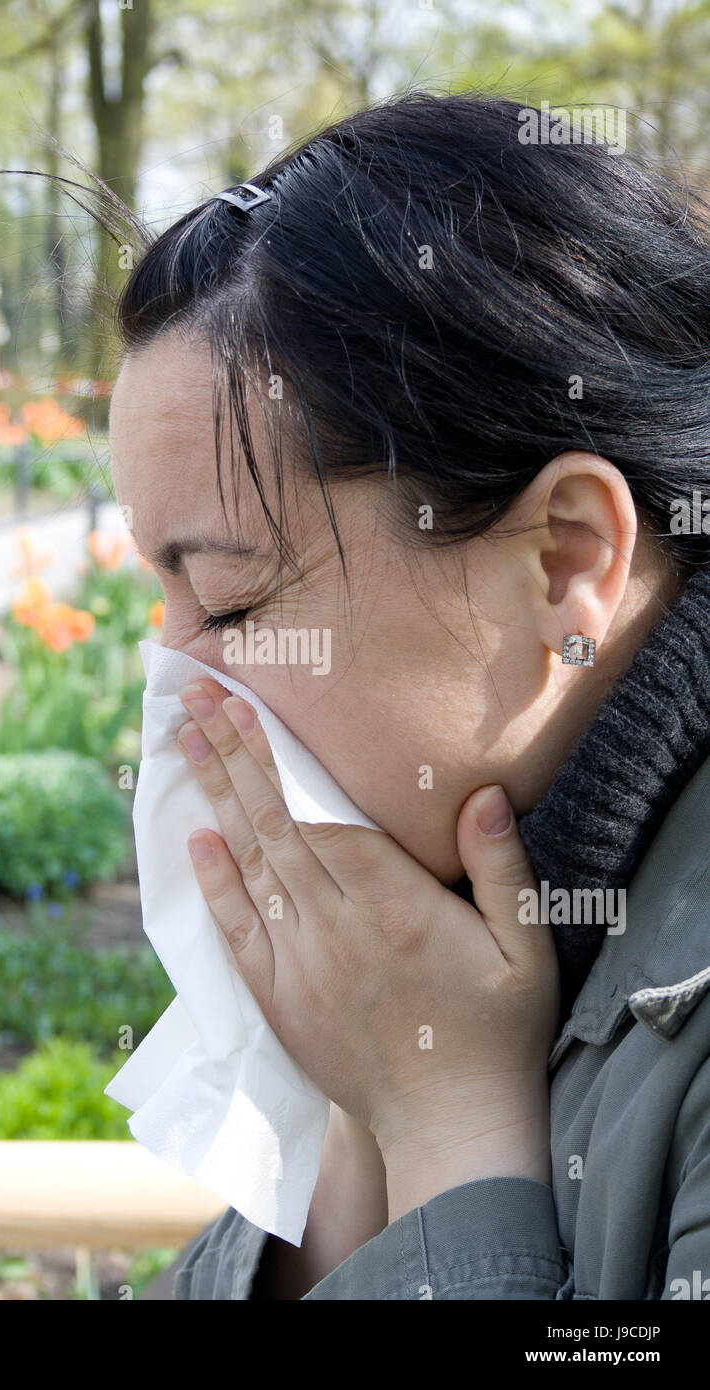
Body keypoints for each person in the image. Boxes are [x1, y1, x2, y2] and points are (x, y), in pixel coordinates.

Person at [108, 90, 710, 1299]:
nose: (176, 695)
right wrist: (356, 1103)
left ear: (564, 563)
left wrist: (445, 1127)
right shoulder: (433, 911)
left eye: (227, 603)